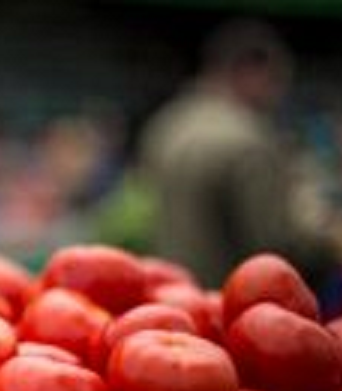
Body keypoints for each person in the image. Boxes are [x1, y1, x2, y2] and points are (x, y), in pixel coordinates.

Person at [140, 20, 332, 287]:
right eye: (274, 79)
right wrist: (324, 232)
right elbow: (277, 246)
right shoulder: (248, 139)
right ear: (249, 72)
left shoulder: (168, 123)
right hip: (231, 307)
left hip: (173, 296)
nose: (278, 93)